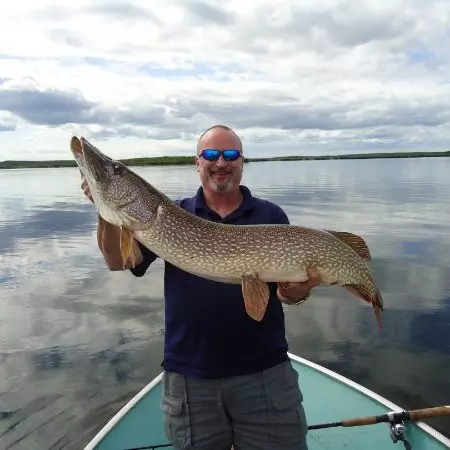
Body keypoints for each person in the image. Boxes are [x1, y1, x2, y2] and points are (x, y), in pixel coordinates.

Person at [81, 125, 321, 449]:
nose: (220, 162)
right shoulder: (170, 215)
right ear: (198, 162)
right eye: (210, 154)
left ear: (241, 161)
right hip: (190, 381)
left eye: (230, 155)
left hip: (264, 373)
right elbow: (116, 261)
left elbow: (285, 293)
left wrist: (298, 292)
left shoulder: (270, 215)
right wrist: (104, 209)